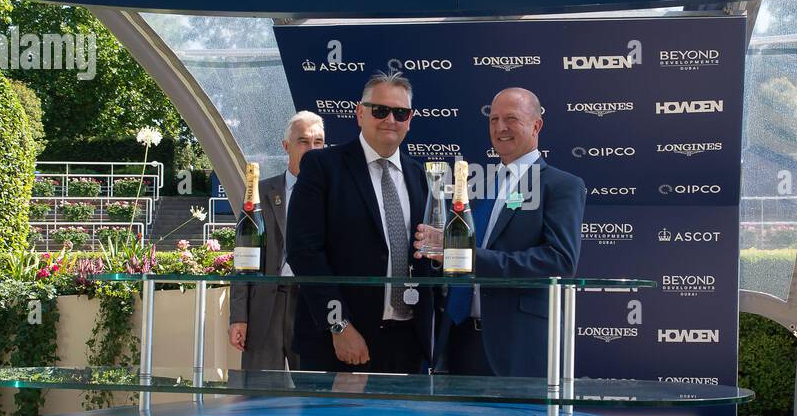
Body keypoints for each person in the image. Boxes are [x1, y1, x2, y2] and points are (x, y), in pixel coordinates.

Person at [416, 87, 586, 377]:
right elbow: (462, 253)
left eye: (511, 119)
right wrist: (440, 252)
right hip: (458, 339)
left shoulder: (561, 186)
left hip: (517, 348)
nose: (500, 128)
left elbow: (559, 262)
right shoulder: (477, 185)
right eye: (493, 120)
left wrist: (469, 258)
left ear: (537, 125)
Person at [286, 71, 432, 373]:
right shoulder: (323, 167)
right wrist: (339, 326)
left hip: (407, 344)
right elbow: (304, 252)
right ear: (359, 113)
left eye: (400, 112)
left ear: (410, 119)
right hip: (340, 345)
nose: (390, 119)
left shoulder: (419, 175)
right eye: (380, 110)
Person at [228, 111, 325, 370]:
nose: (312, 148)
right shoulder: (261, 192)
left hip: (313, 307)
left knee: (315, 396)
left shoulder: (334, 193)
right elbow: (244, 257)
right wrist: (238, 316)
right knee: (259, 397)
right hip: (265, 308)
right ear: (286, 146)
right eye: (303, 141)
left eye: (318, 142)